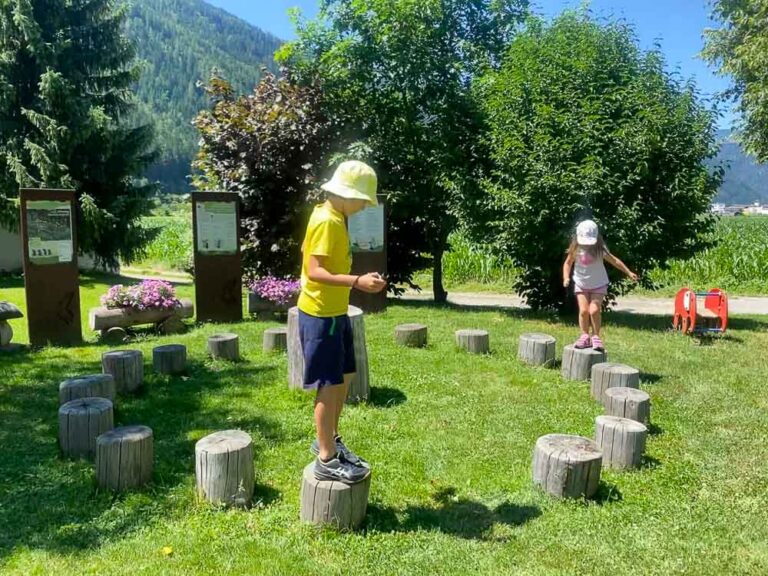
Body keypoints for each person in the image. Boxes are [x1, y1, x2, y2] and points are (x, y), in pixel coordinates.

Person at [299, 160, 387, 484]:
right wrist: (357, 282)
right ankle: (326, 458)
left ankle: (331, 439)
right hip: (321, 315)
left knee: (345, 376)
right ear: (346, 194)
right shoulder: (328, 221)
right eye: (362, 200)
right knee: (328, 384)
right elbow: (314, 270)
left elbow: (305, 251)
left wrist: (356, 282)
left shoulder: (334, 216)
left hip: (335, 313)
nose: (364, 207)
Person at [562, 219, 638, 352]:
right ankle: (584, 335)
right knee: (584, 311)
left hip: (598, 284)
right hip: (581, 283)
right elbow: (567, 263)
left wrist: (628, 272)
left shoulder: (600, 249)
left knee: (594, 310)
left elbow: (615, 261)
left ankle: (596, 336)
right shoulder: (576, 248)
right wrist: (566, 277)